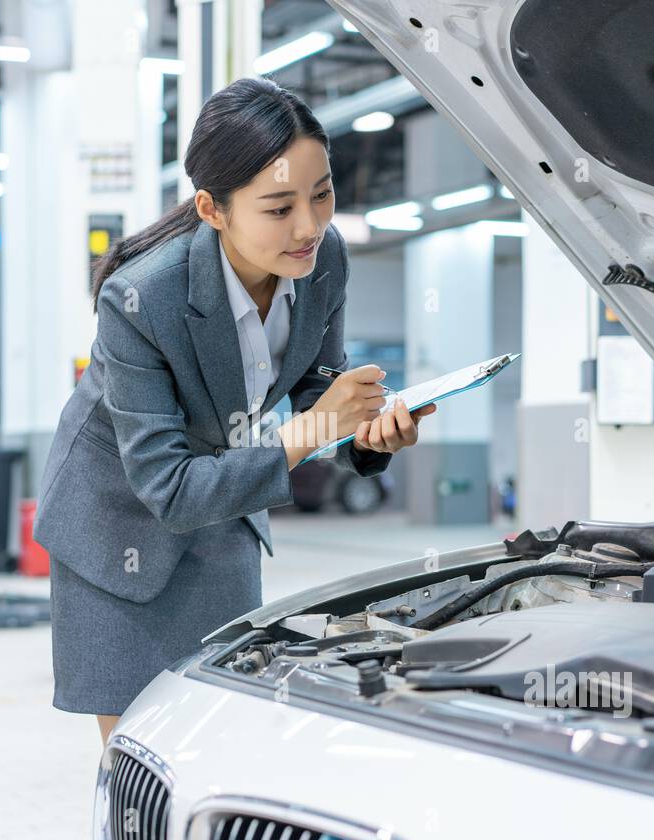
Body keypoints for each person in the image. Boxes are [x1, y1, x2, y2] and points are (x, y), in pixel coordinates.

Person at [34, 76, 435, 744]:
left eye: (322, 194)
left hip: (224, 503)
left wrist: (368, 435)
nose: (309, 226)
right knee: (145, 753)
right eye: (279, 208)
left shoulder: (323, 260)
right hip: (119, 529)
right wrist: (312, 429)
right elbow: (167, 486)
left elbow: (317, 384)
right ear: (213, 209)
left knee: (222, 734)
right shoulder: (140, 301)